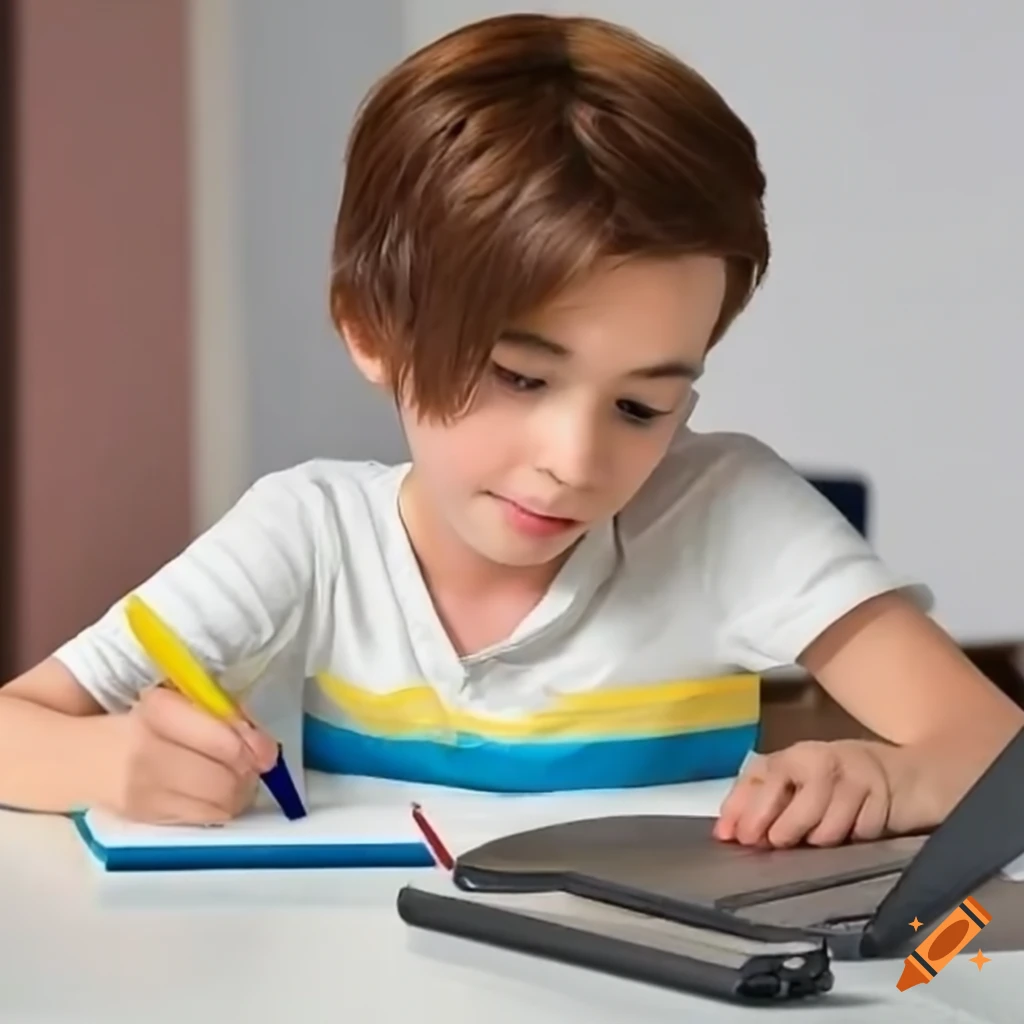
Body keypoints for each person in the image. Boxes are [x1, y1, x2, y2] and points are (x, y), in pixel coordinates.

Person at [0, 13, 1018, 848]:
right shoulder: (307, 535)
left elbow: (993, 744)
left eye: (641, 405)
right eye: (521, 376)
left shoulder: (725, 514)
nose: (574, 462)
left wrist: (897, 773)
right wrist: (100, 759)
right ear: (372, 329)